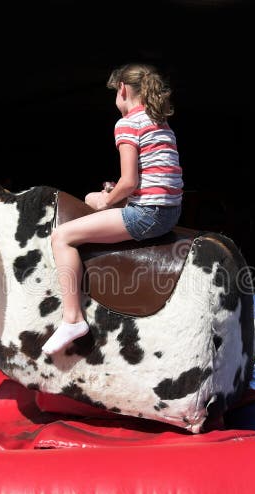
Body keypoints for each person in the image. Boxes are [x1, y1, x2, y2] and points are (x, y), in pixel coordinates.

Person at [41, 63, 184, 355]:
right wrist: (111, 194)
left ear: (122, 89)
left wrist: (107, 201)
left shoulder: (127, 123)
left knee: (62, 236)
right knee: (94, 196)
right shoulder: (160, 122)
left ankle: (72, 319)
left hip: (148, 215)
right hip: (170, 211)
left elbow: (129, 181)